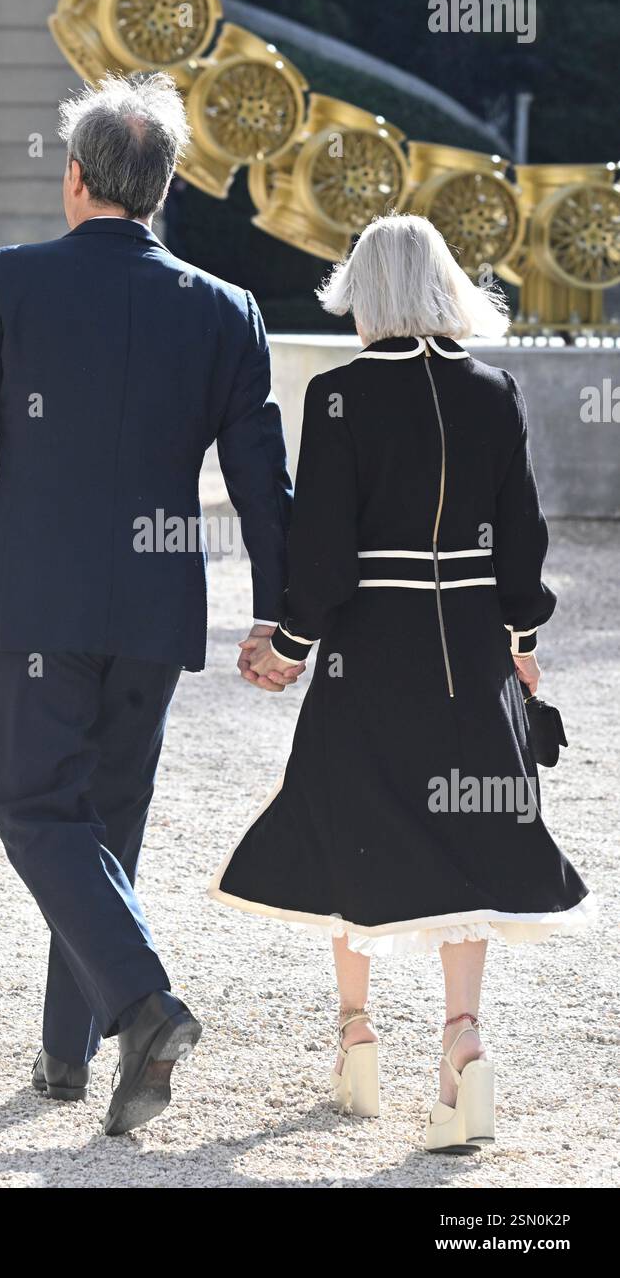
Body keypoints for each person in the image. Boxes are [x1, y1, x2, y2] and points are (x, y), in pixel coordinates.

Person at [0, 72, 300, 1136]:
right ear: (164, 187)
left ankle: (142, 1006)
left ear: (74, 177)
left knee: (33, 807)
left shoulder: (6, 281)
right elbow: (264, 482)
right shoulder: (228, 311)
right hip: (152, 603)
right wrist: (278, 609)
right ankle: (66, 1052)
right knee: (102, 825)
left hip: (38, 593)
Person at [210, 213, 596, 1153]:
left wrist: (291, 643)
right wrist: (522, 637)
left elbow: (325, 550)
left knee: (352, 826)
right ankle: (464, 1052)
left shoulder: (339, 394)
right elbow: (522, 540)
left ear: (364, 292)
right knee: (467, 847)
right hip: (468, 652)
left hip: (368, 653)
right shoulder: (495, 391)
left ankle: (357, 1042)